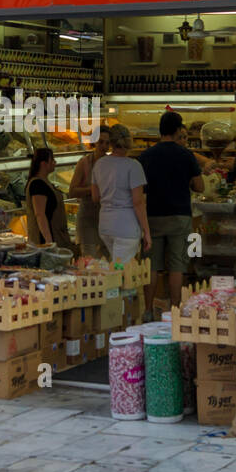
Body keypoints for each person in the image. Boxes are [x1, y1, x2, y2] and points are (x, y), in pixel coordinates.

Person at [139, 110, 204, 318]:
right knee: (177, 265)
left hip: (152, 217)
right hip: (180, 216)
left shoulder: (145, 156)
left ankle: (148, 310)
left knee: (152, 266)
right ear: (177, 130)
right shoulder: (186, 154)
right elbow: (199, 186)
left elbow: (139, 189)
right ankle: (175, 311)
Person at [91, 124, 150, 263]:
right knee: (122, 270)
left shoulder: (99, 164)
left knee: (116, 264)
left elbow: (95, 197)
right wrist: (146, 232)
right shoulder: (133, 166)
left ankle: (117, 282)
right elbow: (138, 202)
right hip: (126, 227)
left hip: (105, 225)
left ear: (111, 142)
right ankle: (118, 284)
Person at [69, 127, 112, 257]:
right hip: (88, 220)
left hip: (107, 219)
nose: (104, 146)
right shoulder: (84, 163)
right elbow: (72, 191)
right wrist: (92, 189)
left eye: (107, 143)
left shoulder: (112, 164)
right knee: (90, 262)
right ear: (94, 142)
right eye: (101, 142)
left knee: (106, 262)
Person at [25, 147, 75, 250]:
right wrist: (49, 242)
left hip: (56, 236)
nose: (54, 163)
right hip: (44, 241)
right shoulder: (37, 184)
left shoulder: (45, 182)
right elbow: (40, 215)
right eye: (52, 160)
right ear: (44, 164)